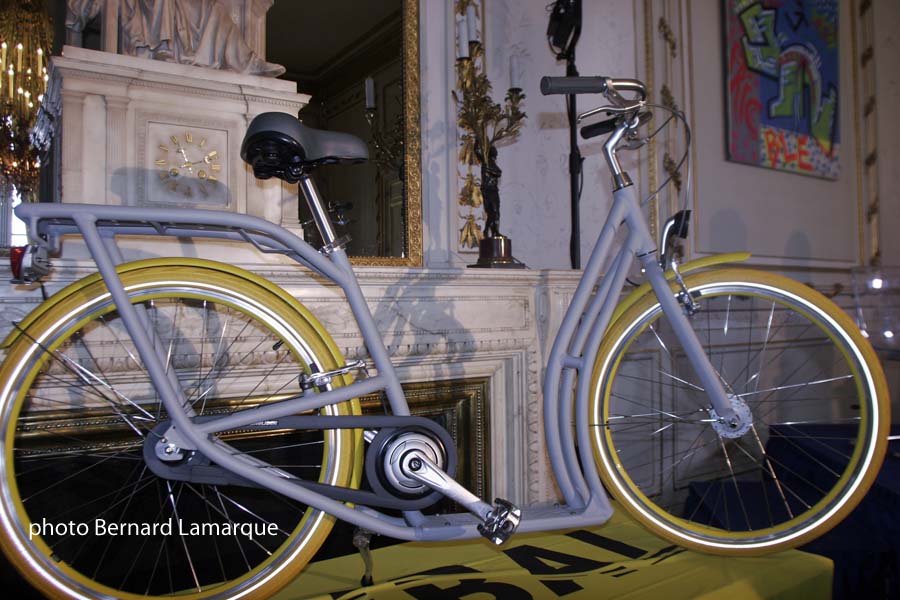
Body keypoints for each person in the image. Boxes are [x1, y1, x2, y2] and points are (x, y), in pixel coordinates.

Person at [66, 0, 284, 76]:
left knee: (215, 9)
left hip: (180, 8)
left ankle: (246, 61)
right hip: (145, 8)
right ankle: (164, 46)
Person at [475, 144, 502, 239]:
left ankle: (491, 231)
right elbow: (476, 151)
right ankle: (493, 231)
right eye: (495, 152)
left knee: (494, 213)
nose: (496, 154)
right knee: (493, 212)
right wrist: (478, 139)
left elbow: (498, 173)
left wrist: (488, 170)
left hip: (494, 190)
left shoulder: (491, 164)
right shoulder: (485, 161)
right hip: (488, 191)